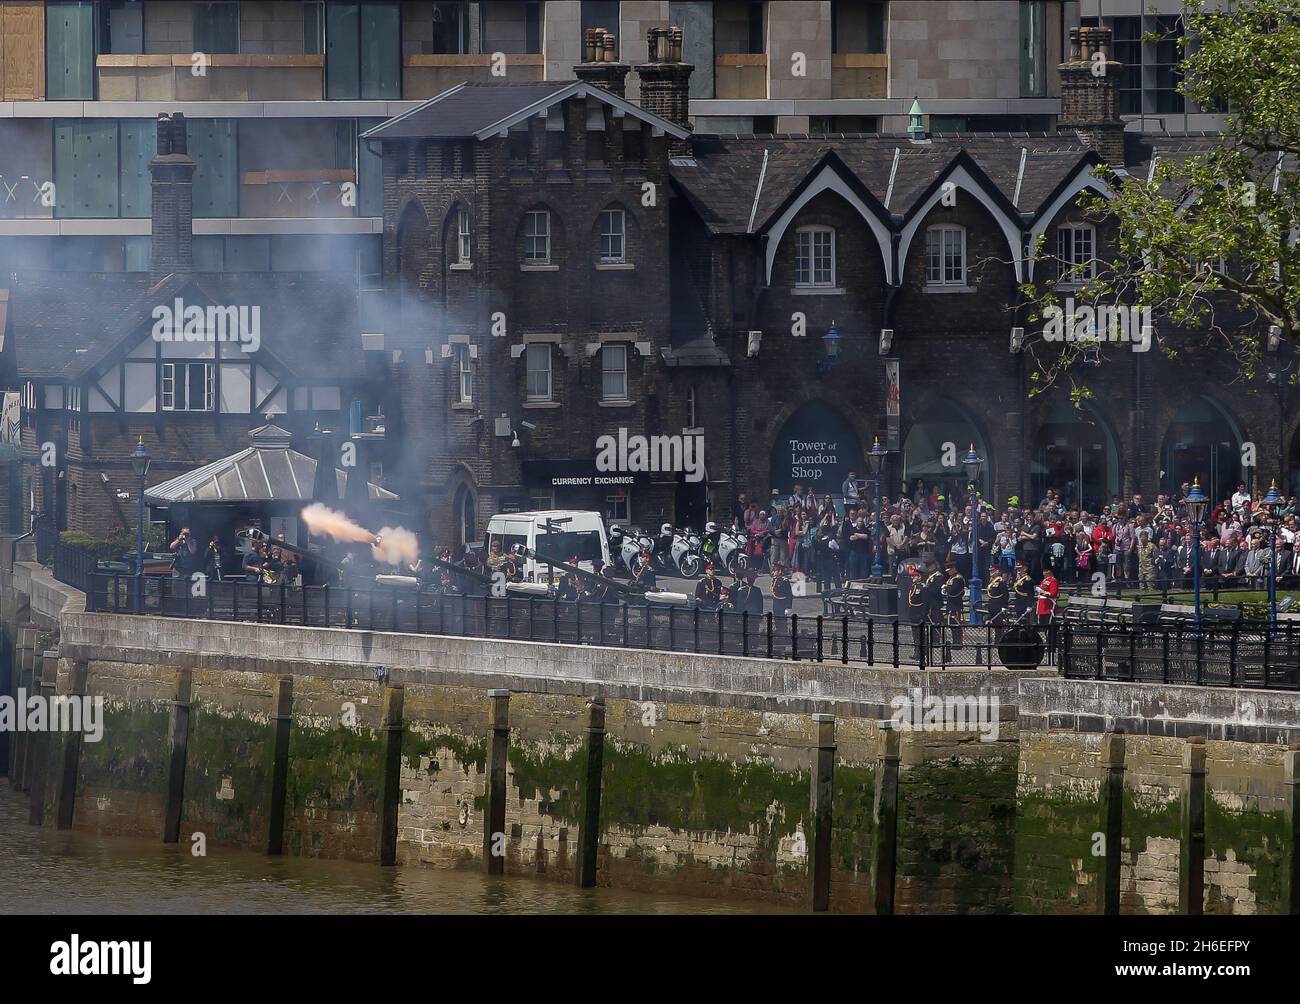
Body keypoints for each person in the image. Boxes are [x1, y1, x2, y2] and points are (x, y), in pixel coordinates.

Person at [941, 558, 965, 649]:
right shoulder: (951, 578)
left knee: (956, 624)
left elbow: (953, 591)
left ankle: (958, 643)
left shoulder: (958, 579)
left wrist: (946, 589)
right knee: (952, 625)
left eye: (949, 570)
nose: (948, 572)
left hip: (956, 604)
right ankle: (955, 642)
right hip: (950, 604)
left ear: (954, 568)